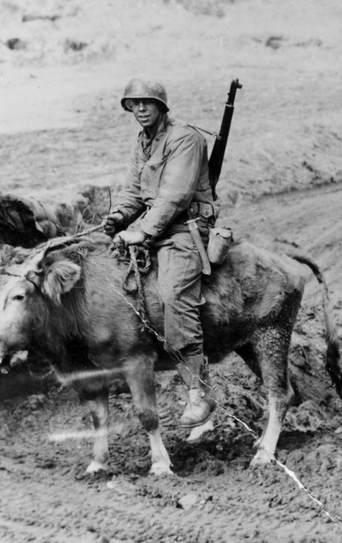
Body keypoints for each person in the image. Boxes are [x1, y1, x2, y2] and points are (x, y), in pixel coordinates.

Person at [103, 79, 216, 429]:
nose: (140, 109)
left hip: (184, 230)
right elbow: (134, 191)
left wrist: (139, 231)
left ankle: (198, 393)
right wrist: (119, 215)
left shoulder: (185, 139)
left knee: (172, 295)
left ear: (162, 106)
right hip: (152, 229)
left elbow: (175, 197)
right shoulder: (142, 141)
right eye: (133, 104)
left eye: (147, 103)